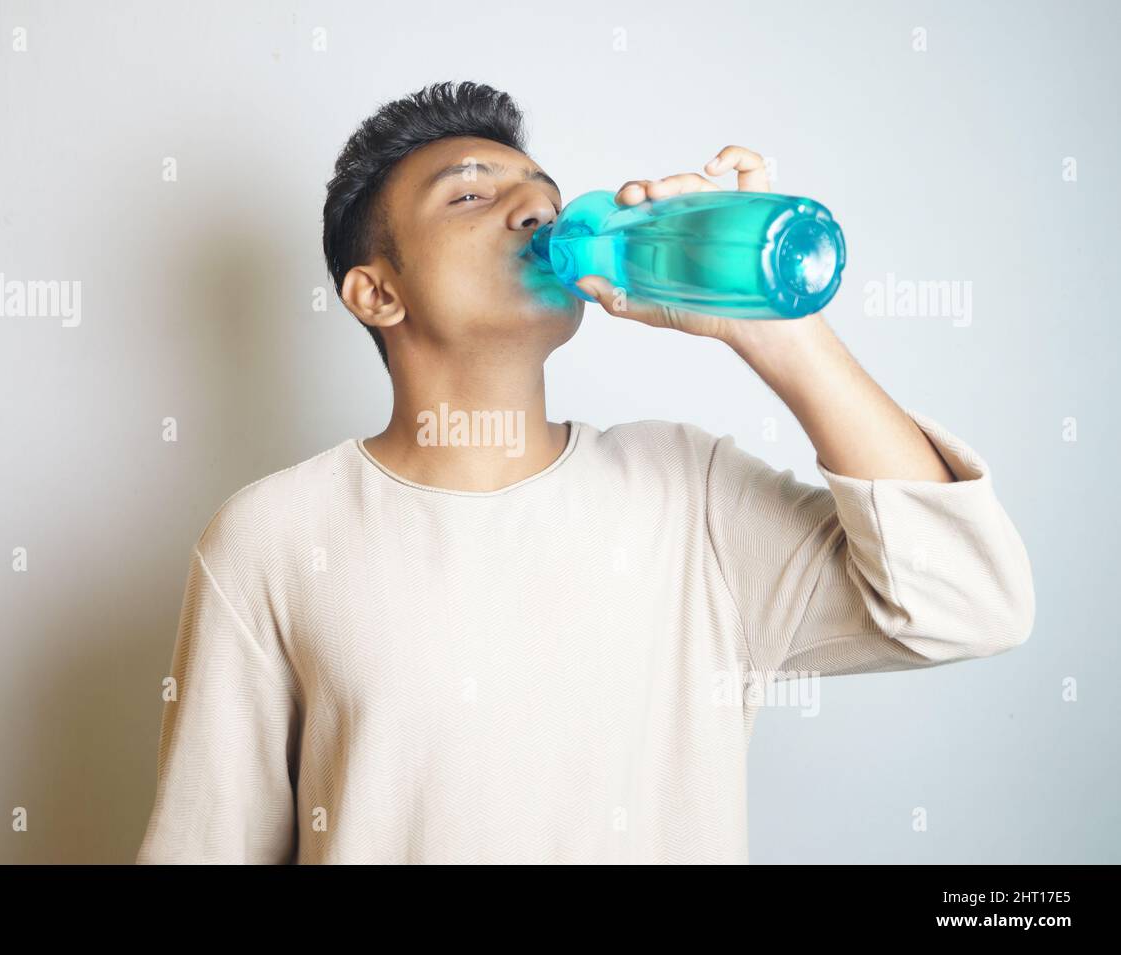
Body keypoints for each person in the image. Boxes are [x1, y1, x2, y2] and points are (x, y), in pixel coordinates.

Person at [135, 81, 1035, 864]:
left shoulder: (689, 492)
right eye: (470, 197)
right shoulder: (275, 536)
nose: (536, 213)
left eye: (543, 196)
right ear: (377, 292)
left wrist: (778, 328)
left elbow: (969, 602)